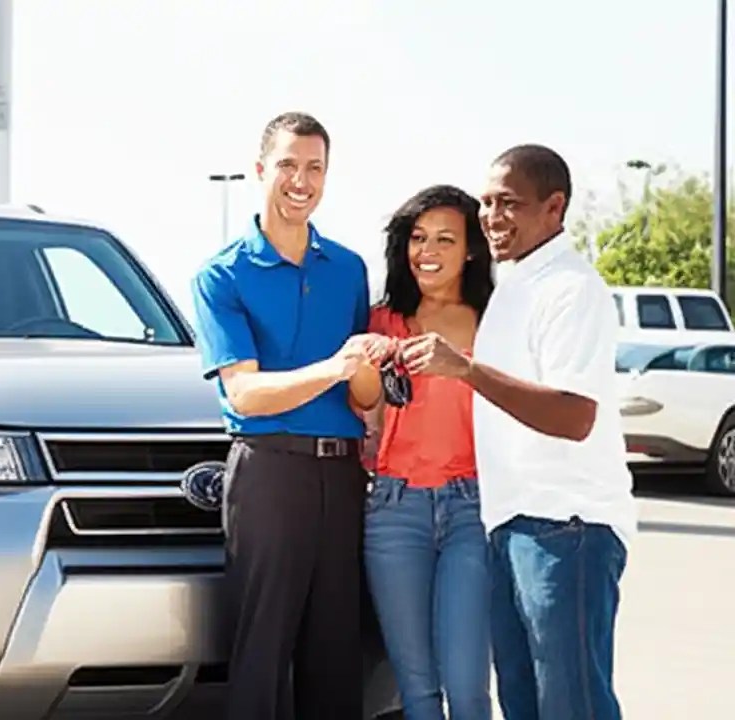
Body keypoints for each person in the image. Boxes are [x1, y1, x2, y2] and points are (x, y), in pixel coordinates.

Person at [400, 144, 637, 720]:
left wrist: (465, 370)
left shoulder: (571, 288)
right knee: (524, 705)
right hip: (510, 526)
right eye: (486, 203)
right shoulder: (515, 285)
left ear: (554, 207)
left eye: (508, 203)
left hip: (567, 529)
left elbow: (574, 416)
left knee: (573, 705)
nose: (491, 217)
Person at [190, 111, 388, 720]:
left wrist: (368, 368)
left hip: (343, 475)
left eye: (315, 168)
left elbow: (363, 396)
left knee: (337, 651)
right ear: (260, 170)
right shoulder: (221, 275)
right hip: (269, 472)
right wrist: (335, 367)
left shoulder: (349, 270)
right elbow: (245, 395)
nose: (301, 181)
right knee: (263, 652)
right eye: (287, 165)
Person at [360, 184, 495, 720]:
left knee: (466, 686)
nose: (428, 251)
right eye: (418, 238)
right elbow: (363, 404)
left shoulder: (493, 319)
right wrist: (368, 359)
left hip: (472, 508)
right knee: (416, 691)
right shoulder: (383, 320)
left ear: (471, 250)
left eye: (445, 239)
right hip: (395, 511)